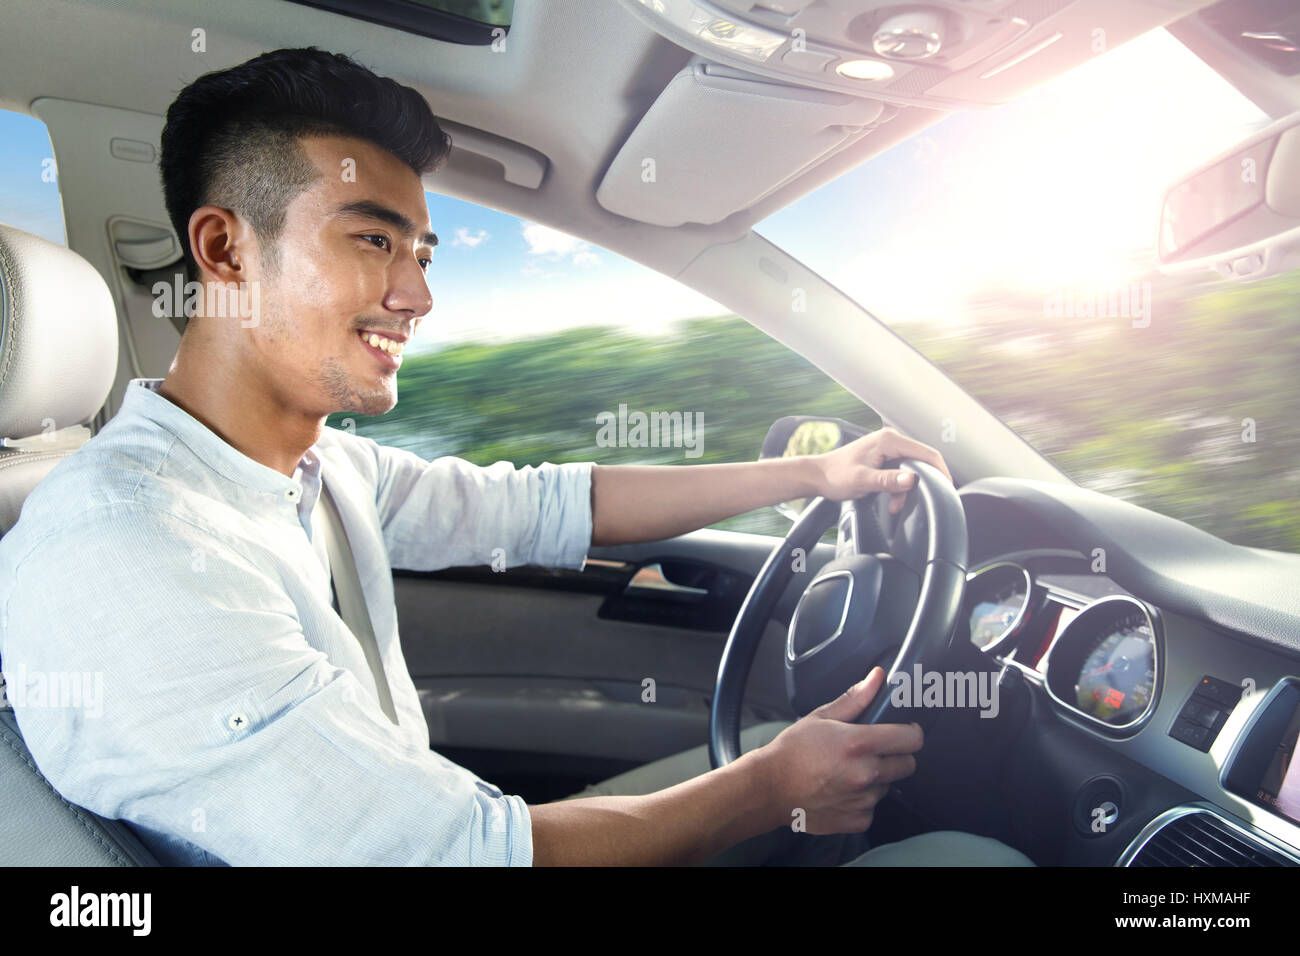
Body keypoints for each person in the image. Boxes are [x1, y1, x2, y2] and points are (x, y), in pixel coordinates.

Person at [0, 47, 1030, 867]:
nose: (418, 295)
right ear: (225, 251)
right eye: (372, 241)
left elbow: (543, 506)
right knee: (962, 855)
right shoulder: (125, 543)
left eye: (422, 251)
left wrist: (811, 474)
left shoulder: (317, 470)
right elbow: (456, 854)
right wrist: (771, 787)